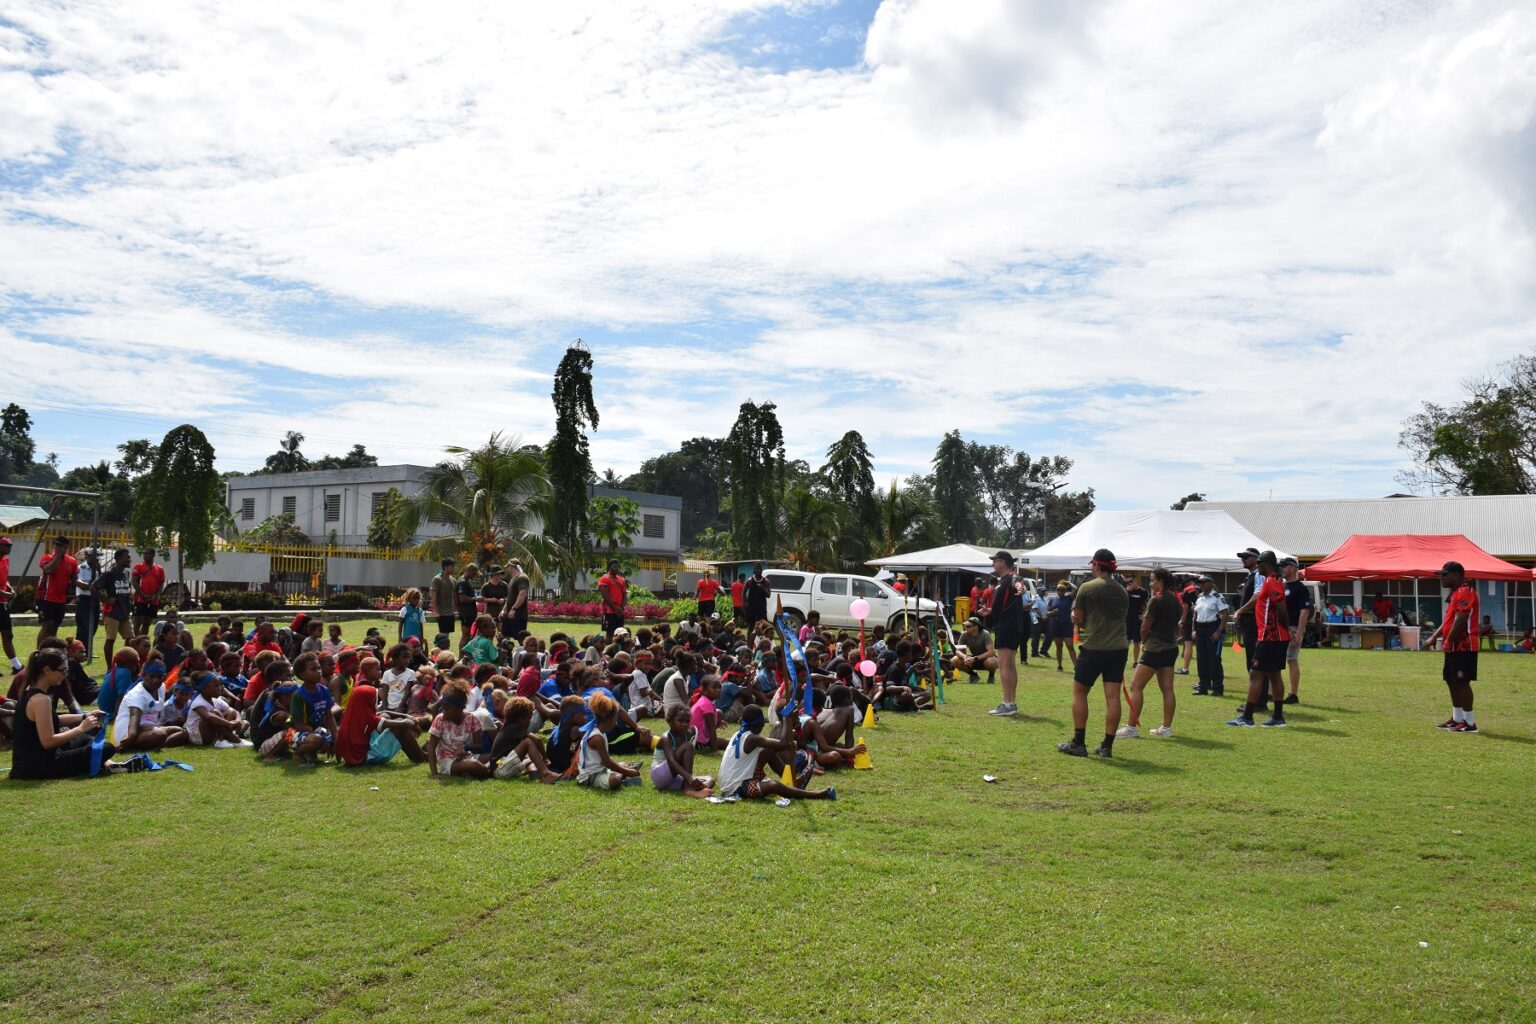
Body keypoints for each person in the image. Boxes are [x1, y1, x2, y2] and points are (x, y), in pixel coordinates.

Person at [1057, 549, 1129, 758]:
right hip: (1119, 648)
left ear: (1097, 565)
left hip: (1094, 647)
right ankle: (1107, 747)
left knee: (1080, 693)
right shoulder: (1122, 591)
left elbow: (1079, 619)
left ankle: (1079, 743)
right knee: (1113, 697)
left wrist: (1075, 616)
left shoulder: (1087, 587)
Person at [9, 649, 113, 780]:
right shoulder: (41, 700)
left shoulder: (29, 692)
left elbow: (51, 719)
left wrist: (84, 716)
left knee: (85, 740)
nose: (65, 675)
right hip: (39, 766)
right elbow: (48, 742)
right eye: (63, 671)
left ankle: (108, 764)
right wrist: (81, 728)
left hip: (25, 764)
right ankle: (107, 764)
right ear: (47, 670)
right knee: (107, 748)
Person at [715, 704, 836, 802]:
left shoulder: (739, 734)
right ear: (759, 724)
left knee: (769, 751)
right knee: (773, 785)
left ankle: (794, 783)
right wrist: (787, 719)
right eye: (762, 724)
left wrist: (788, 743)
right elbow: (783, 743)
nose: (763, 725)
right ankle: (817, 795)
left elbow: (778, 744)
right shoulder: (752, 739)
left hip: (732, 781)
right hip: (736, 788)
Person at [1227, 551, 1290, 729]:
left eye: (1259, 563)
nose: (1257, 566)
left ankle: (1247, 717)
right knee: (1274, 674)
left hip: (1270, 636)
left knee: (1256, 674)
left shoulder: (1271, 581)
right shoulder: (1273, 580)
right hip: (1274, 636)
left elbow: (1281, 608)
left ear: (1265, 564)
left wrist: (1286, 628)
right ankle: (1278, 717)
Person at [1118, 568, 1180, 739]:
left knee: (1136, 686)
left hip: (1154, 648)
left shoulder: (1156, 600)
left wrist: (1144, 641)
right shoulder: (1175, 600)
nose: (1151, 583)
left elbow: (1144, 627)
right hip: (1171, 648)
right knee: (1168, 689)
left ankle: (1131, 728)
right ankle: (1166, 728)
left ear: (1161, 581)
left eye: (1153, 580)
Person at [1432, 561, 1480, 733]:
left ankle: (1470, 722)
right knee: (1451, 680)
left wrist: (1448, 641)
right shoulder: (1455, 594)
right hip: (1453, 646)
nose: (1442, 579)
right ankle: (1457, 718)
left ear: (1456, 575)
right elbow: (1449, 620)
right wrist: (1434, 637)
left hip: (1464, 645)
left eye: (1445, 575)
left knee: (1462, 682)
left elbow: (1461, 619)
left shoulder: (1465, 592)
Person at [334, 683, 427, 767]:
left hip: (353, 757)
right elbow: (405, 724)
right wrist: (414, 722)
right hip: (365, 757)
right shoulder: (369, 718)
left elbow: (383, 712)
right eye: (375, 699)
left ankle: (416, 755)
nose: (376, 702)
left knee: (385, 715)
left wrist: (406, 715)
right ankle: (422, 756)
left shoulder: (350, 715)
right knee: (400, 727)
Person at [984, 551, 1028, 717]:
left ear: (1002, 562)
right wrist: (990, 610)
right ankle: (1011, 703)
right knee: (1009, 664)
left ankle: (1007, 703)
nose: (993, 564)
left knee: (1004, 664)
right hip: (1010, 626)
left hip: (1007, 627)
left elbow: (1019, 583)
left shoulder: (1011, 577)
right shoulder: (1003, 580)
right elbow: (1005, 604)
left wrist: (1021, 588)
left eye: (995, 561)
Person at [114, 661, 188, 751]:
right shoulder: (137, 694)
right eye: (151, 676)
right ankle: (127, 746)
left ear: (164, 676)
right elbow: (134, 717)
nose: (155, 680)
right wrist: (131, 736)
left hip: (150, 728)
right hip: (129, 731)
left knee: (181, 732)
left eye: (159, 677)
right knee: (160, 734)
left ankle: (156, 745)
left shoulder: (161, 687)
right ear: (143, 676)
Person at [426, 681, 488, 778]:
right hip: (448, 761)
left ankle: (477, 770)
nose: (443, 711)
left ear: (460, 708)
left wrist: (464, 748)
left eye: (447, 708)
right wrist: (434, 773)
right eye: (443, 708)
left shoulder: (472, 718)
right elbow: (431, 746)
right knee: (474, 765)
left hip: (468, 756)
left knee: (494, 757)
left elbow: (479, 746)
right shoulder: (440, 720)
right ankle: (487, 771)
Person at [651, 703, 711, 797]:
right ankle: (688, 788)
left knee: (710, 779)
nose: (684, 724)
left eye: (687, 721)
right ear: (670, 721)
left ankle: (696, 787)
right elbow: (671, 761)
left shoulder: (688, 735)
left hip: (673, 778)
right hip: (659, 775)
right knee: (688, 746)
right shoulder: (666, 737)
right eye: (680, 721)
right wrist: (689, 777)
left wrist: (693, 780)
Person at [91, 547, 134, 665]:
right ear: (118, 559)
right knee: (111, 640)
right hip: (112, 614)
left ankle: (124, 663)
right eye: (127, 557)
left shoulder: (126, 573)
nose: (129, 560)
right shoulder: (109, 574)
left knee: (130, 639)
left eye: (129, 557)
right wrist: (105, 600)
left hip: (125, 613)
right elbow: (93, 588)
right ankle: (110, 667)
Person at [1233, 548, 1263, 711]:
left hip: (1254, 623)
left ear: (1256, 559)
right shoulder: (1251, 576)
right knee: (1252, 663)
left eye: (1246, 557)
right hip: (1248, 623)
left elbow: (1257, 596)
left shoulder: (1258, 575)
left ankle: (1257, 701)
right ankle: (1256, 699)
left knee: (1256, 664)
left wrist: (1241, 610)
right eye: (1242, 557)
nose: (1243, 559)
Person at [1280, 557, 1313, 704]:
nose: (1282, 569)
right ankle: (1271, 693)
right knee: (1274, 660)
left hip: (1293, 628)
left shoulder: (1300, 588)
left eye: (1284, 566)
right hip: (1280, 627)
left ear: (1293, 568)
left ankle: (1293, 695)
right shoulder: (1281, 585)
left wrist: (1299, 633)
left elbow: (1304, 611)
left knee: (1291, 659)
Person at [186, 671, 248, 747]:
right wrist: (228, 723)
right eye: (216, 686)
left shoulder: (216, 699)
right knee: (214, 713)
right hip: (197, 736)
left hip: (213, 732)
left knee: (233, 713)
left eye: (220, 685)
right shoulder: (198, 702)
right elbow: (208, 716)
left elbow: (234, 712)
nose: (220, 688)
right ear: (204, 688)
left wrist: (238, 721)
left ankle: (224, 739)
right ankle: (235, 739)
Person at [35, 535, 77, 644]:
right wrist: (57, 556)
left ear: (66, 547)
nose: (57, 547)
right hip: (45, 598)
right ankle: (39, 651)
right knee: (46, 626)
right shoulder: (47, 558)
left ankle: (50, 650)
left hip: (60, 600)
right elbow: (49, 570)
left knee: (54, 628)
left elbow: (74, 580)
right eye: (56, 545)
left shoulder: (72, 561)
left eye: (60, 546)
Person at [1192, 576, 1230, 696]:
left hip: (1212, 628)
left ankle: (1217, 688)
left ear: (1211, 583)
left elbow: (1225, 613)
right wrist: (1194, 630)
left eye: (1204, 582)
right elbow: (1195, 615)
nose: (1201, 584)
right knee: (1201, 659)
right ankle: (1203, 686)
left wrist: (1219, 631)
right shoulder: (1199, 597)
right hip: (1200, 629)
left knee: (1214, 659)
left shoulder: (1218, 597)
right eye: (1200, 583)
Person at [129, 547, 165, 638]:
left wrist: (156, 595)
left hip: (153, 600)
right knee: (138, 621)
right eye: (144, 553)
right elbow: (134, 581)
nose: (145, 556)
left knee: (147, 622)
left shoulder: (159, 568)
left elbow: (161, 584)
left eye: (147, 553)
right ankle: (135, 641)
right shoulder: (138, 566)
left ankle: (143, 640)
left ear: (153, 555)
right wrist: (142, 594)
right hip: (140, 599)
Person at [73, 546, 101, 660]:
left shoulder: (98, 569)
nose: (97, 560)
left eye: (98, 558)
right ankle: (78, 651)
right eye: (94, 557)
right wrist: (91, 585)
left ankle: (87, 650)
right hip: (84, 599)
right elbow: (81, 585)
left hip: (95, 599)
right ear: (88, 557)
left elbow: (101, 585)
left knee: (94, 626)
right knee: (83, 627)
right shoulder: (81, 568)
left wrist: (99, 571)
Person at [952, 617, 998, 683]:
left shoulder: (985, 634)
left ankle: (991, 676)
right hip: (973, 659)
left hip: (986, 659)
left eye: (968, 626)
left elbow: (991, 652)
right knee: (954, 660)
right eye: (965, 626)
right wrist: (964, 657)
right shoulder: (964, 635)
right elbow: (958, 651)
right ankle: (973, 675)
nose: (966, 628)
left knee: (990, 661)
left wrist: (975, 658)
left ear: (976, 627)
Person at [1046, 581, 1077, 673]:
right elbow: (1047, 613)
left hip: (1067, 625)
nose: (1060, 591)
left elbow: (1075, 589)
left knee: (1070, 646)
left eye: (1062, 590)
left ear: (1065, 591)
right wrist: (1052, 612)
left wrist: (1068, 582)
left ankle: (1076, 667)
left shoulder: (1068, 598)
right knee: (1059, 646)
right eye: (1058, 590)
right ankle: (1059, 666)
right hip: (1056, 625)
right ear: (1056, 590)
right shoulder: (1052, 600)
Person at [0, 536, 19, 672]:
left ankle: (16, 666)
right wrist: (5, 594)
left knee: (8, 635)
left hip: (2, 603)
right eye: (7, 545)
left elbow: (4, 579)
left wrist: (10, 588)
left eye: (10, 545)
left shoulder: (6, 560)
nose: (10, 547)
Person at [1123, 573, 1149, 666]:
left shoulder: (1143, 592)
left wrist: (1143, 614)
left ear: (1135, 581)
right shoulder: (1124, 591)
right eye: (1128, 582)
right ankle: (1123, 659)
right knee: (1125, 641)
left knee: (1136, 641)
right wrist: (1128, 591)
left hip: (1137, 620)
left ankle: (1135, 661)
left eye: (1131, 581)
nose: (1129, 583)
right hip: (1125, 620)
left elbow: (1147, 605)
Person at [597, 560, 628, 638]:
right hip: (608, 611)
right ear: (609, 567)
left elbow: (625, 595)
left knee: (620, 634)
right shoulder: (604, 579)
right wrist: (615, 608)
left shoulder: (621, 579)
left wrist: (621, 608)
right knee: (610, 634)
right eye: (614, 566)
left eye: (618, 566)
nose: (616, 568)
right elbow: (604, 595)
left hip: (619, 612)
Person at [429, 558, 457, 641]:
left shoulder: (453, 580)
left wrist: (455, 610)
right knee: (443, 634)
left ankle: (444, 647)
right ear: (445, 566)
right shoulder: (437, 579)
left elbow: (453, 596)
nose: (453, 568)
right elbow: (433, 595)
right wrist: (436, 611)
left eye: (453, 566)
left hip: (450, 612)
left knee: (447, 633)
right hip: (442, 612)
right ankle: (440, 647)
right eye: (451, 566)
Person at [454, 564, 480, 650]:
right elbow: (462, 598)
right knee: (465, 636)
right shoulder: (462, 582)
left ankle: (466, 655)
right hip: (466, 613)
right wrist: (476, 598)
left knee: (469, 636)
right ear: (469, 571)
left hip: (469, 613)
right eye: (474, 573)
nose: (475, 576)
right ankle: (461, 656)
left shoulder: (467, 581)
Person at [1176, 576, 1199, 675]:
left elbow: (1185, 607)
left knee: (1188, 643)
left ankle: (1185, 668)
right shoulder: (1209, 588)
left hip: (1191, 619)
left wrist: (1182, 621)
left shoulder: (1188, 590)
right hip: (1205, 619)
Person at [502, 561, 531, 639]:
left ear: (511, 566)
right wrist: (504, 610)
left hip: (518, 615)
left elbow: (522, 594)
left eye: (508, 567)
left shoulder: (522, 577)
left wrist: (514, 609)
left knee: (520, 638)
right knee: (505, 637)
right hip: (509, 614)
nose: (507, 569)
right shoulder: (513, 578)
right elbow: (510, 597)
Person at [742, 562, 771, 630]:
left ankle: (761, 637)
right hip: (751, 608)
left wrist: (763, 588)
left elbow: (768, 595)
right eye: (757, 568)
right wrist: (744, 604)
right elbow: (743, 592)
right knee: (751, 627)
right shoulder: (749, 580)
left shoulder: (766, 581)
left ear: (762, 570)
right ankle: (750, 637)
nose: (758, 570)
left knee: (762, 627)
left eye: (760, 568)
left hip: (761, 608)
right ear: (754, 570)